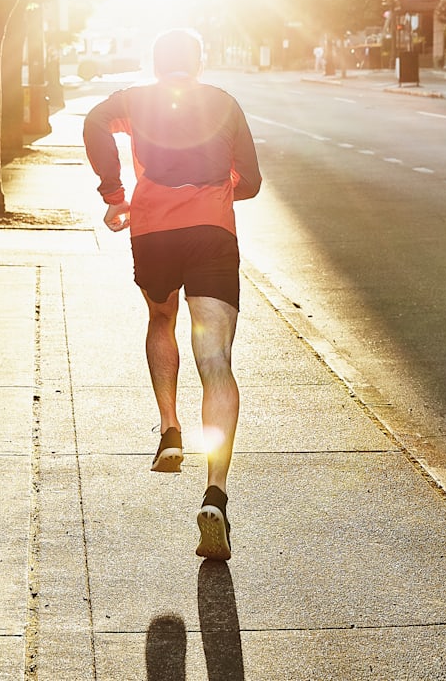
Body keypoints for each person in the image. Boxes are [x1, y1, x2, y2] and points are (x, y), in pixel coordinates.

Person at [82, 29, 262, 561]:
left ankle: (170, 429)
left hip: (154, 231)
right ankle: (216, 493)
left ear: (157, 64)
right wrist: (218, 185)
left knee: (161, 320)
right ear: (199, 63)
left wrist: (115, 194)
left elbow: (94, 122)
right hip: (211, 233)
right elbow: (251, 181)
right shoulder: (224, 103)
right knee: (216, 360)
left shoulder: (135, 100)